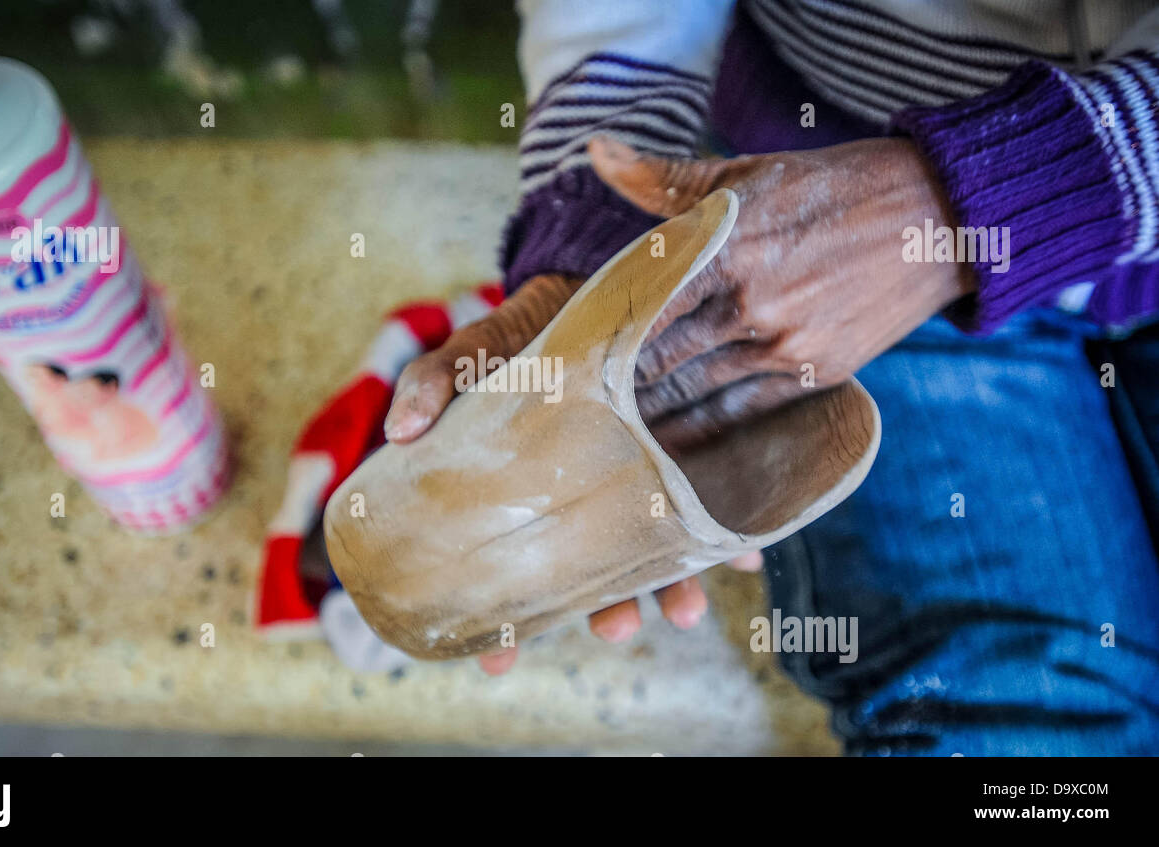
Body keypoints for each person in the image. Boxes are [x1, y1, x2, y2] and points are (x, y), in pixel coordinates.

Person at [382, 0, 1159, 755]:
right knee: (1020, 724)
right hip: (821, 214)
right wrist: (605, 228)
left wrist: (975, 206)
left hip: (931, 219)